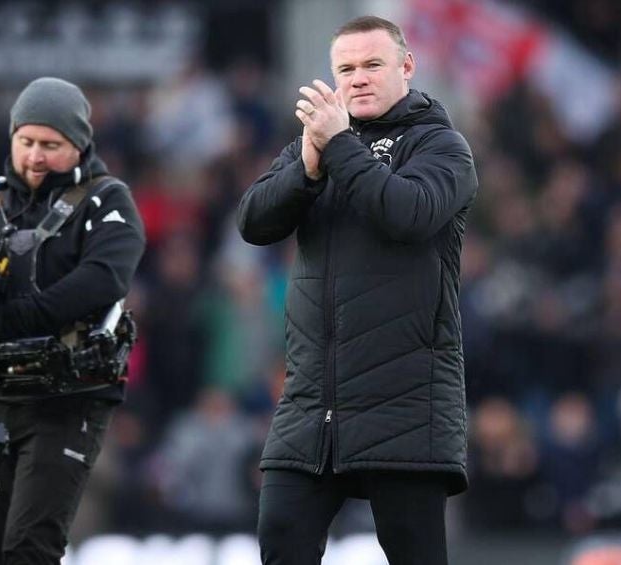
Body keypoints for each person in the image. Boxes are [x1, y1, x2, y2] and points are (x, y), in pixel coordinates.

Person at [237, 16, 478, 565]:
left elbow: (407, 214)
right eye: (345, 69)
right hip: (312, 404)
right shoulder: (314, 148)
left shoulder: (442, 146)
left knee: (415, 554)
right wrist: (307, 166)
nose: (358, 78)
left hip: (406, 403)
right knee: (280, 538)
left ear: (406, 68)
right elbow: (253, 222)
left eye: (372, 65)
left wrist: (338, 146)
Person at [0, 77, 146, 564]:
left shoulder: (108, 201)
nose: (36, 156)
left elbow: (100, 281)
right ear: (11, 138)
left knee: (29, 548)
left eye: (51, 145)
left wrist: (3, 320)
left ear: (79, 146)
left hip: (67, 398)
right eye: (27, 141)